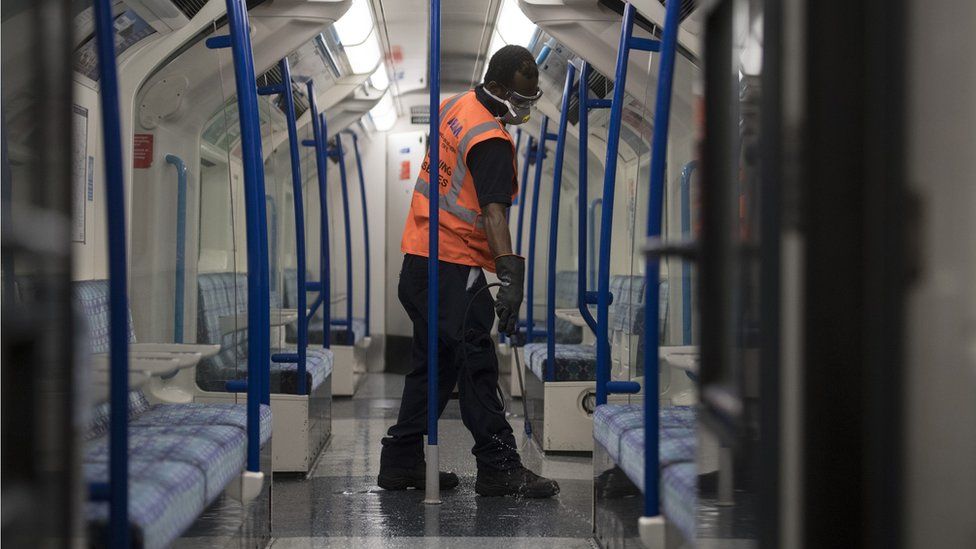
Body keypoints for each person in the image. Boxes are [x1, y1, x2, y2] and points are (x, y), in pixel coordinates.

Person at [377, 45, 560, 498]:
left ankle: (400, 462)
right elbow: (494, 215)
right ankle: (499, 466)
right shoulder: (491, 140)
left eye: (532, 99)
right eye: (520, 99)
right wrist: (510, 278)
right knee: (476, 360)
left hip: (420, 260)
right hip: (453, 267)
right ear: (497, 89)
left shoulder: (455, 106)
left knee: (433, 367)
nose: (524, 108)